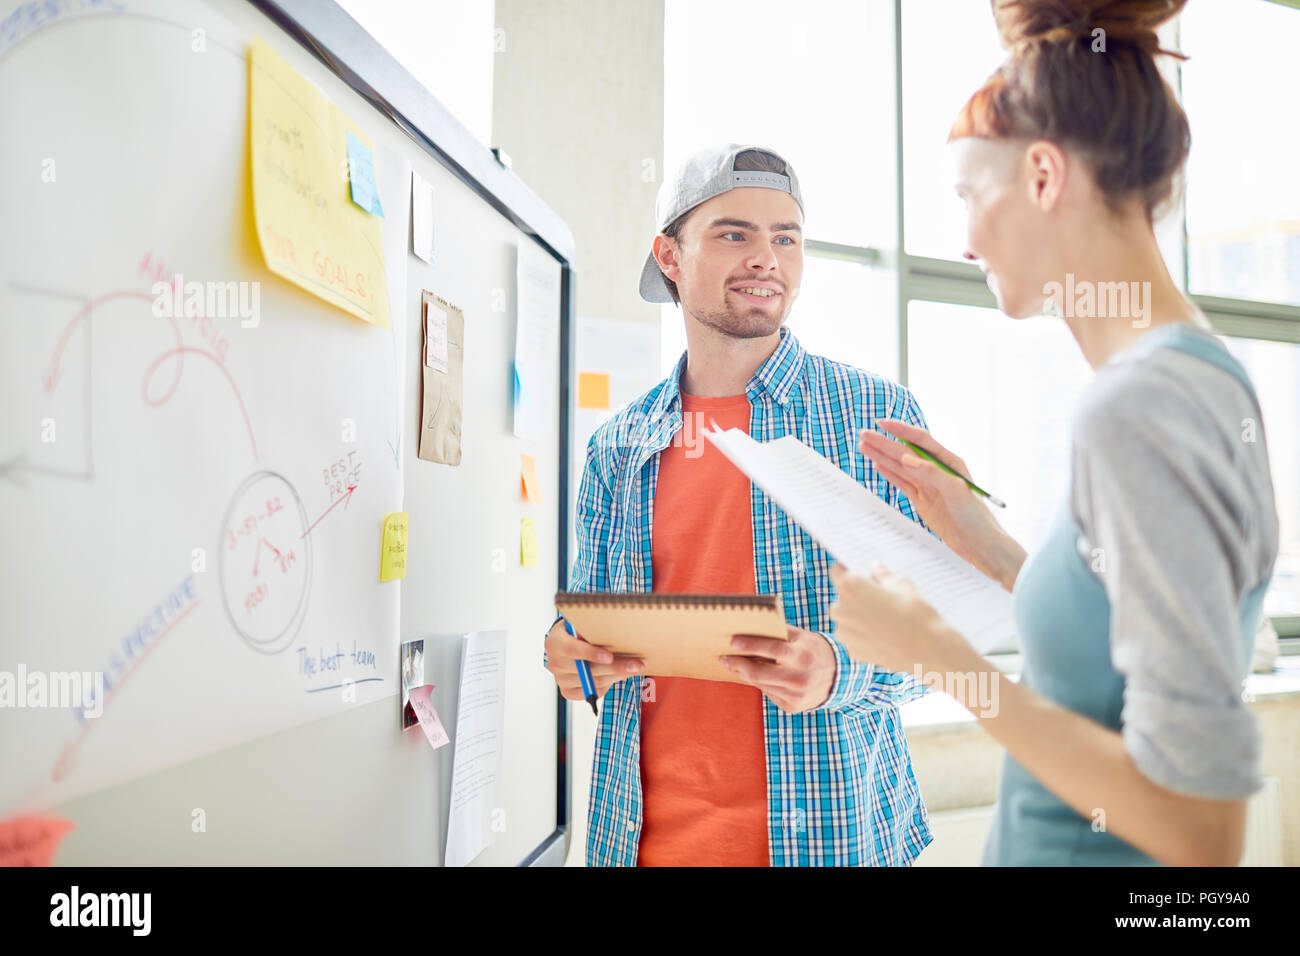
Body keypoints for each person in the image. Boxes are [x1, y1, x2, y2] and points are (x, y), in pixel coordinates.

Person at [830, 0, 1278, 866]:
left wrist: (937, 659)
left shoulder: (1143, 406)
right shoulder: (1191, 377)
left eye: (969, 195)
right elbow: (1129, 638)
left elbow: (1200, 829)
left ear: (1042, 177)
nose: (963, 241)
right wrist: (986, 542)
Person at [545, 144, 934, 866]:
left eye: (785, 237)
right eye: (734, 234)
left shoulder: (877, 418)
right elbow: (588, 631)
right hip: (639, 840)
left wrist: (837, 671)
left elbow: (935, 635)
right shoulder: (618, 447)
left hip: (831, 841)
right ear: (670, 256)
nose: (766, 258)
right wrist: (571, 655)